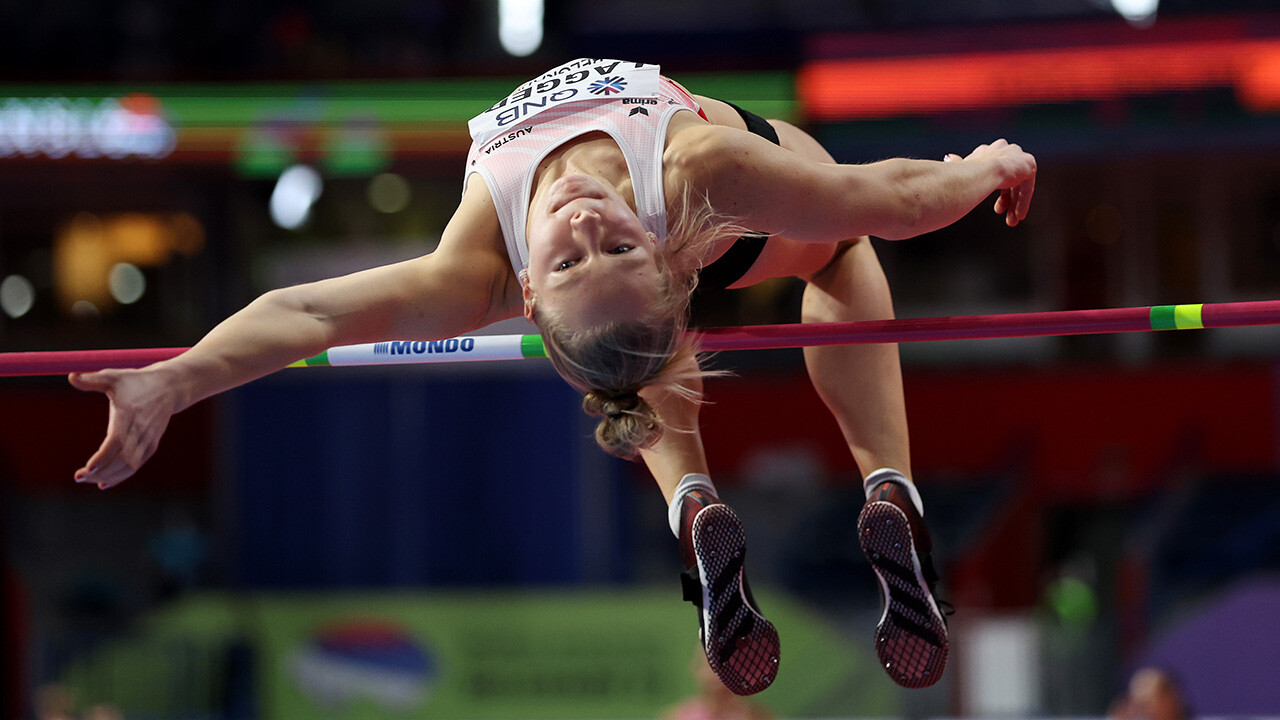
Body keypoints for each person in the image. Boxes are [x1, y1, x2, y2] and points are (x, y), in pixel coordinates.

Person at [68, 58, 1036, 694]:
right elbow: (886, 198)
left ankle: (690, 496)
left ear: (526, 292)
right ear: (666, 254)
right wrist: (983, 163)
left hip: (676, 255)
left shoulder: (478, 265)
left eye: (574, 257)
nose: (580, 221)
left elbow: (308, 316)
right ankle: (887, 482)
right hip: (699, 220)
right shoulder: (695, 172)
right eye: (609, 244)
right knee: (834, 253)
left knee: (633, 332)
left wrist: (174, 380)